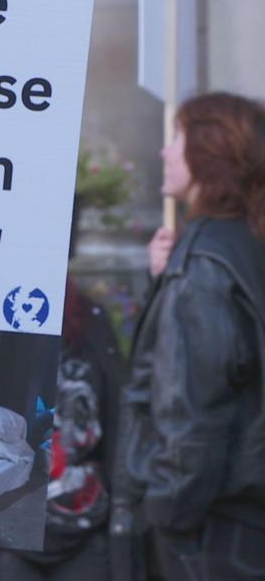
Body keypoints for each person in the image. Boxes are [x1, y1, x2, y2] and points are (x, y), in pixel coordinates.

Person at [120, 92, 265, 581]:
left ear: (210, 150)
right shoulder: (243, 242)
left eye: (177, 136)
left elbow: (193, 418)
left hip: (208, 533)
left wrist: (165, 520)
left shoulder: (203, 263)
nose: (164, 151)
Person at [0, 277, 124, 581]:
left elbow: (115, 415)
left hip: (84, 521)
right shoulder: (1, 315)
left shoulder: (91, 323)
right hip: (15, 529)